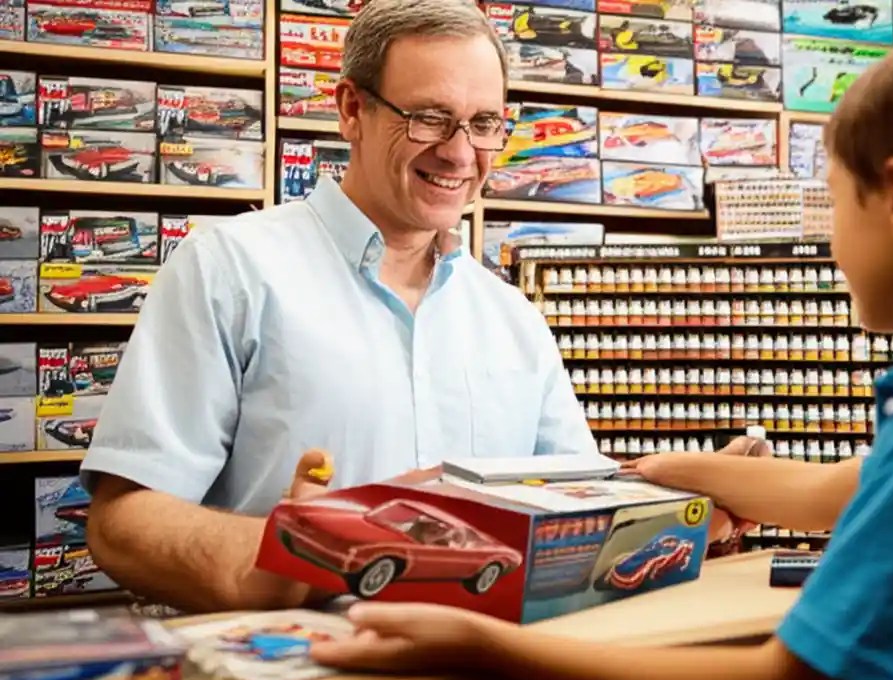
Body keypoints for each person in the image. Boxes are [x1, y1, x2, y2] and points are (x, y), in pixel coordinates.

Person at [310, 22, 893, 680]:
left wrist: (487, 646)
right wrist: (662, 476)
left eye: (835, 204)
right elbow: (825, 494)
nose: (834, 245)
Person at [80, 0, 598, 614]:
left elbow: (582, 507)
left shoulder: (513, 318)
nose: (462, 154)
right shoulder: (229, 268)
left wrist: (691, 504)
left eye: (484, 123)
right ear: (352, 109)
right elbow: (121, 524)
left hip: (488, 678)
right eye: (430, 118)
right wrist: (292, 552)